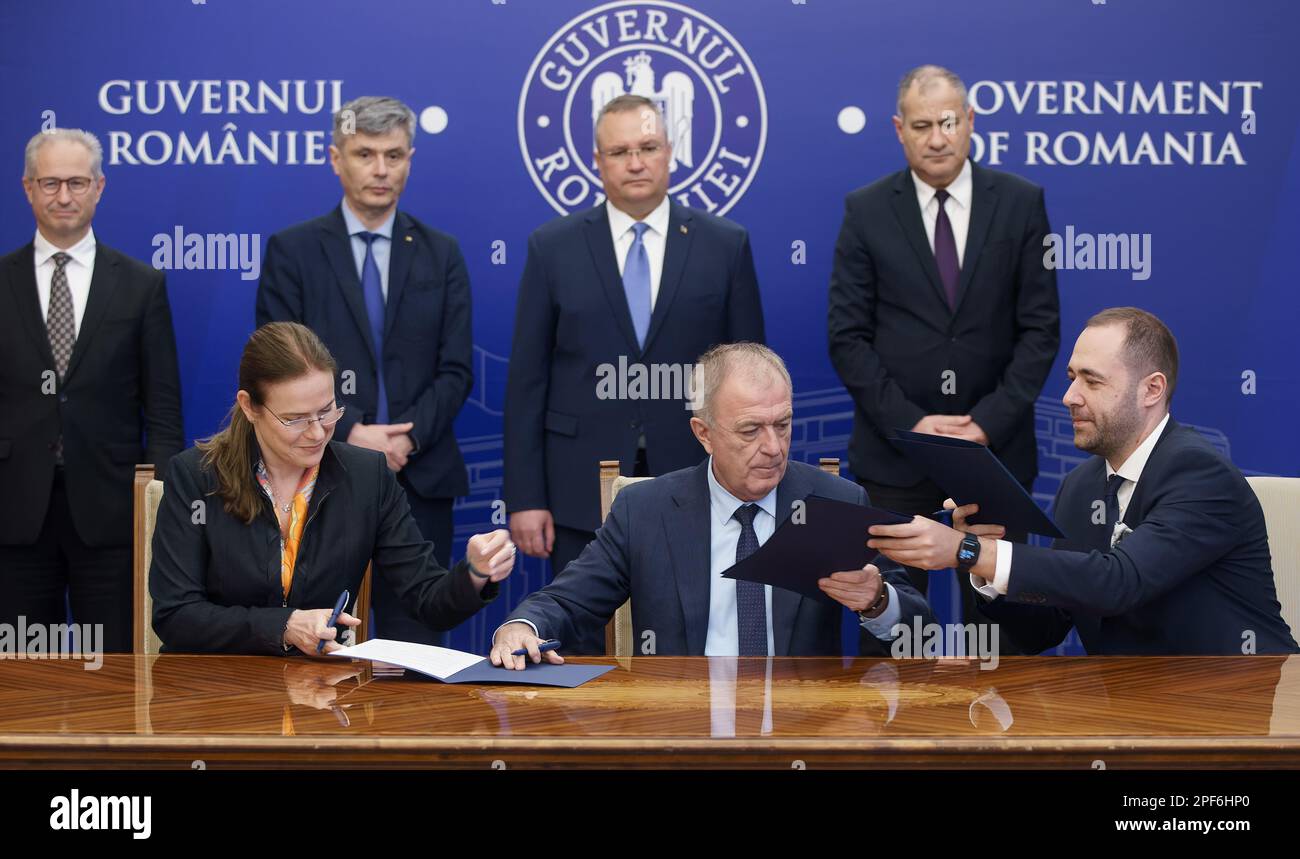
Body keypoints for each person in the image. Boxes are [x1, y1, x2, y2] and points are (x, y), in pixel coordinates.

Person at [866, 308, 1298, 656]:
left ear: (1151, 390)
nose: (1070, 397)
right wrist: (985, 576)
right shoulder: (1081, 485)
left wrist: (969, 550)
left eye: (1092, 381)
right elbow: (1042, 631)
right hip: (1137, 715)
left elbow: (1119, 582)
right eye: (1072, 378)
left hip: (1250, 709)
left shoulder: (1199, 474)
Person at [505, 95, 765, 652]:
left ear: (670, 153)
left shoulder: (725, 244)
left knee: (692, 642)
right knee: (577, 645)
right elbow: (527, 381)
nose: (636, 162)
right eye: (620, 151)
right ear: (598, 161)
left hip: (703, 482)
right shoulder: (552, 248)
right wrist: (526, 497)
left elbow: (751, 376)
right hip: (577, 488)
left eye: (648, 148)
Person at [491, 343, 933, 668]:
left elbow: (917, 633)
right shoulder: (644, 511)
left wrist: (877, 601)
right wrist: (521, 627)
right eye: (750, 431)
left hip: (802, 729)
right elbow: (568, 603)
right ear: (704, 434)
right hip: (681, 731)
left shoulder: (835, 502)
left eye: (783, 424)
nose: (774, 447)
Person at [827, 64, 1059, 647]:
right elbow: (847, 337)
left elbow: (1041, 331)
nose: (937, 138)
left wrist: (984, 425)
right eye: (922, 125)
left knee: (1002, 633)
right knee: (897, 630)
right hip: (895, 461)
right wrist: (913, 424)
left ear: (970, 122)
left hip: (996, 457)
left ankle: (1004, 740)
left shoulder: (1021, 203)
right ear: (899, 129)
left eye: (949, 123)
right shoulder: (866, 210)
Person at [150, 322, 513, 655]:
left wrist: (475, 573)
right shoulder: (195, 476)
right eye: (294, 419)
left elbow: (427, 602)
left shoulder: (367, 476)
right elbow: (176, 615)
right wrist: (285, 626)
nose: (317, 432)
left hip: (319, 696)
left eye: (327, 411)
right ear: (250, 406)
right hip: (212, 694)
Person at [257, 96, 474, 647]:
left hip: (420, 473)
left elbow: (455, 369)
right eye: (365, 153)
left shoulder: (441, 252)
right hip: (316, 472)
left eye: (394, 155)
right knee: (315, 643)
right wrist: (349, 432)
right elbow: (277, 365)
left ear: (410, 159)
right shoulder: (293, 251)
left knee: (417, 652)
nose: (381, 169)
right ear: (336, 158)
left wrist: (404, 439)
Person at [0, 129, 183, 652]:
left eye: (76, 182)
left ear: (99, 187)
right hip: (14, 516)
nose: (64, 196)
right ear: (28, 188)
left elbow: (164, 408)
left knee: (119, 671)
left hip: (111, 516)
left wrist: (159, 505)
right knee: (21, 677)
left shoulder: (141, 284)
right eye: (50, 182)